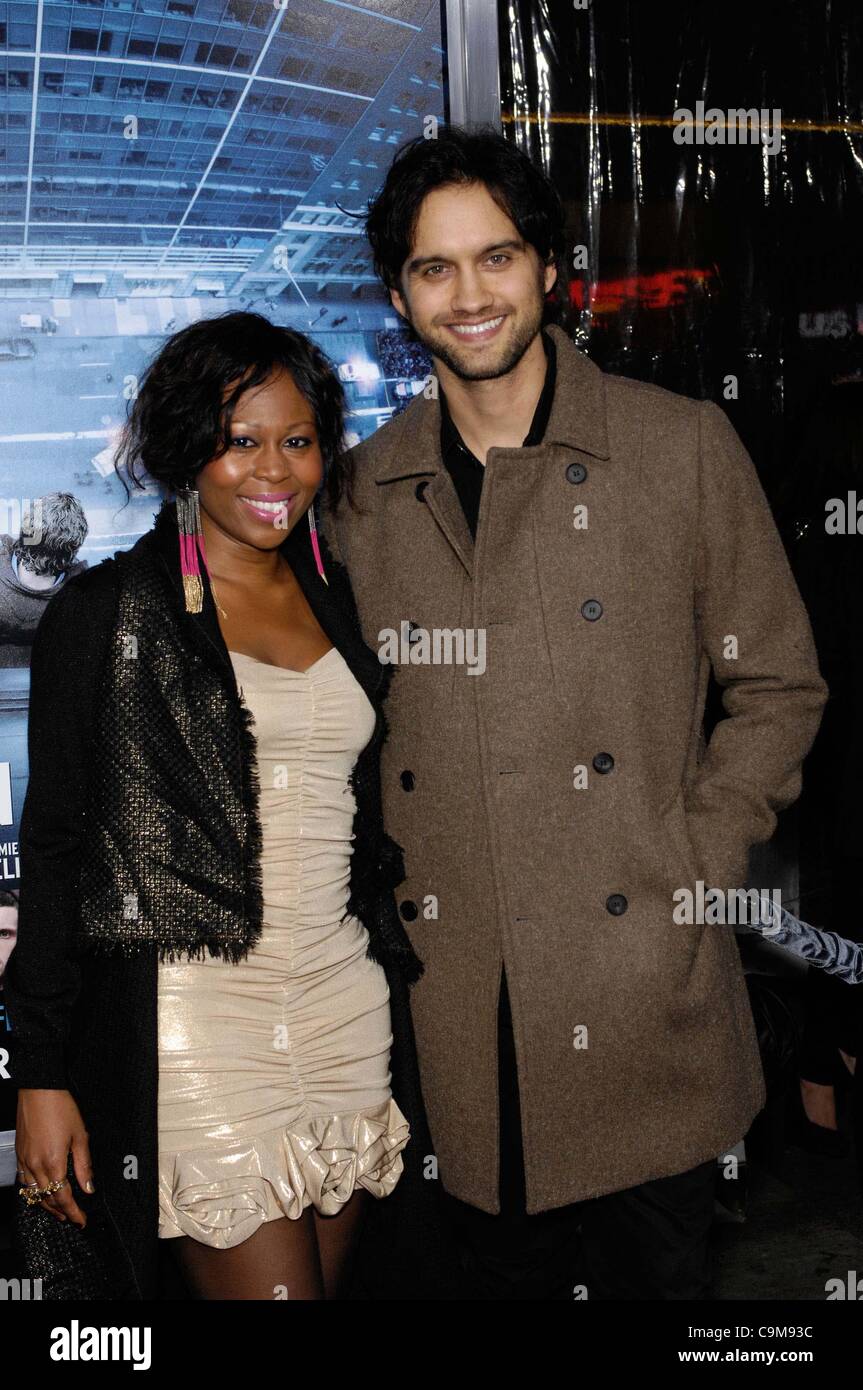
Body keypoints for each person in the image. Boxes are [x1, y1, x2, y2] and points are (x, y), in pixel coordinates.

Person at [319, 125, 829, 1299]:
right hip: (452, 1018)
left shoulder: (679, 447)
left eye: (496, 258)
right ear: (398, 295)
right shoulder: (360, 495)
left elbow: (777, 682)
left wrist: (689, 856)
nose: (470, 294)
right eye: (434, 268)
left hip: (639, 999)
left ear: (550, 269)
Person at [4, 313, 437, 1301]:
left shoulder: (335, 593)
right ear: (182, 448)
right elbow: (60, 844)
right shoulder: (108, 612)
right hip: (197, 1026)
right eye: (240, 440)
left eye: (297, 440)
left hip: (340, 1003)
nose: (273, 470)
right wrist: (40, 1070)